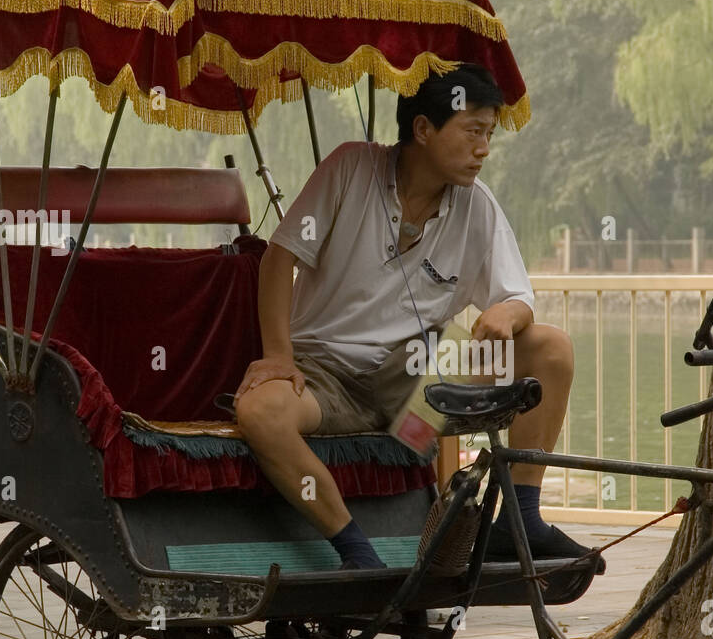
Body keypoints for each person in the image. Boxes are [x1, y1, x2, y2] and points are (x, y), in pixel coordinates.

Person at [233, 63, 595, 570]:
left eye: (489, 134)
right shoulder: (349, 168)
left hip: (415, 396)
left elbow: (518, 297)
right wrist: (278, 357)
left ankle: (520, 524)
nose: (484, 148)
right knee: (259, 412)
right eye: (472, 132)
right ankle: (358, 554)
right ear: (423, 129)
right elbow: (279, 258)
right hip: (323, 374)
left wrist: (505, 314)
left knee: (550, 348)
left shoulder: (478, 204)